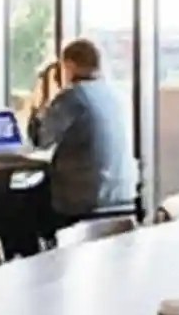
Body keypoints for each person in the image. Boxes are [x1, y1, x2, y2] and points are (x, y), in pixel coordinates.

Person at [23, 39, 136, 248]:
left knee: (19, 209)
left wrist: (39, 100)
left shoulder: (73, 97)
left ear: (70, 66)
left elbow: (39, 140)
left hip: (84, 201)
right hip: (124, 196)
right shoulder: (115, 95)